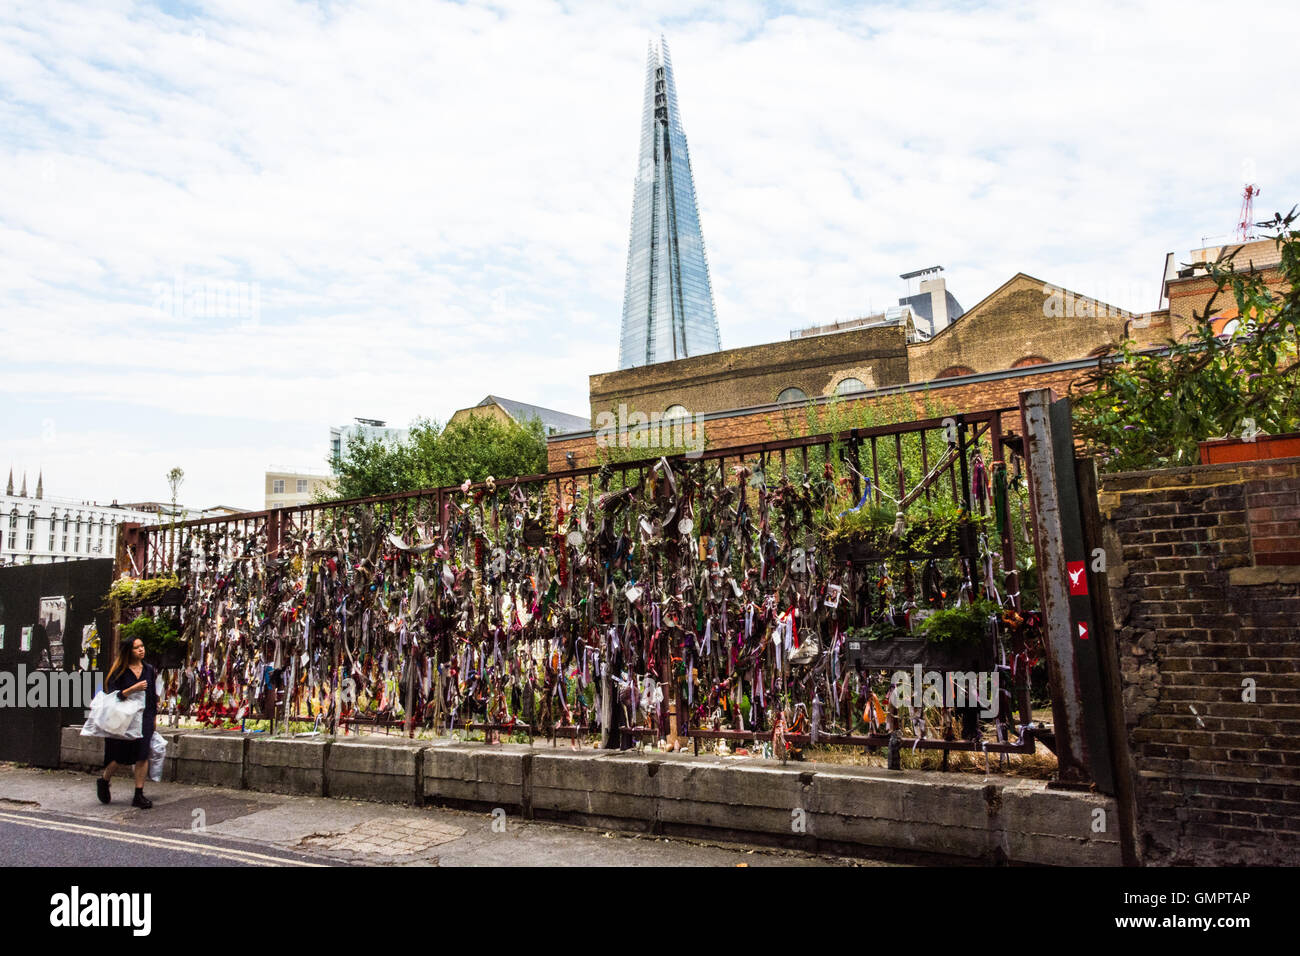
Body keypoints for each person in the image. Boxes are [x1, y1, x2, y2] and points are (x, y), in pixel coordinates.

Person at [97, 636, 157, 809]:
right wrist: (132, 689)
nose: (141, 650)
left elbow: (152, 696)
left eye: (142, 646)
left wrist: (153, 718)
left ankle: (138, 795)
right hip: (125, 719)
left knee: (142, 755)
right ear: (128, 651)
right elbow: (113, 696)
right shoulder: (119, 671)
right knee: (121, 756)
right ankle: (104, 780)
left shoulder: (149, 670)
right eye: (137, 647)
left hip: (144, 716)